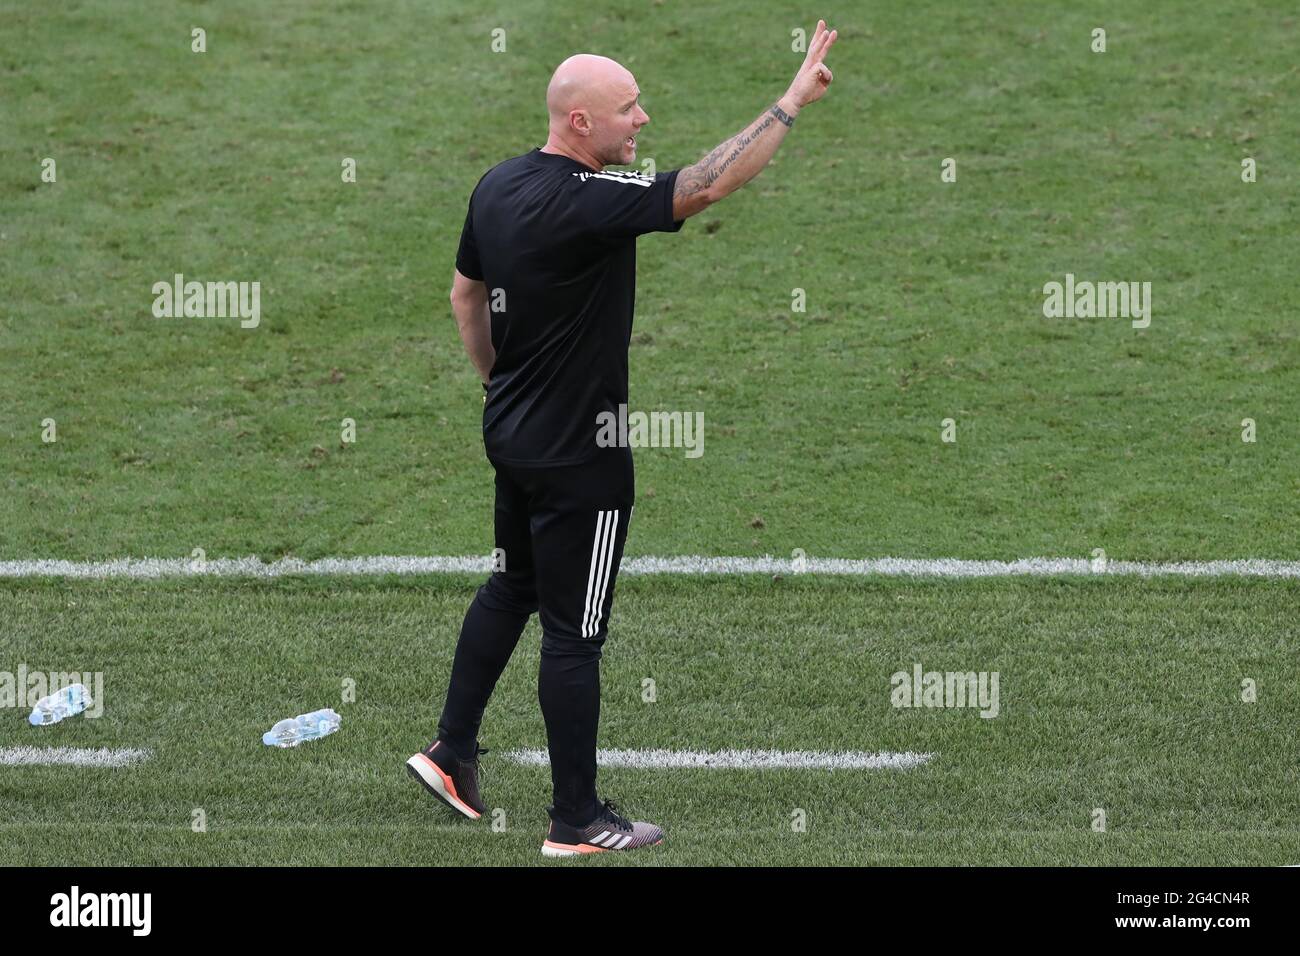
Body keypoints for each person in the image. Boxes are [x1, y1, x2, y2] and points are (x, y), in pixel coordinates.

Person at [408, 19, 838, 857]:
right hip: (582, 457)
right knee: (575, 634)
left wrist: (499, 386)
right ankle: (576, 821)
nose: (642, 119)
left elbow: (465, 297)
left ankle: (451, 753)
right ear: (580, 124)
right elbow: (705, 187)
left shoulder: (496, 186)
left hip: (514, 437)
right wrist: (789, 102)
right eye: (628, 108)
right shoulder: (588, 204)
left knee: (510, 588)